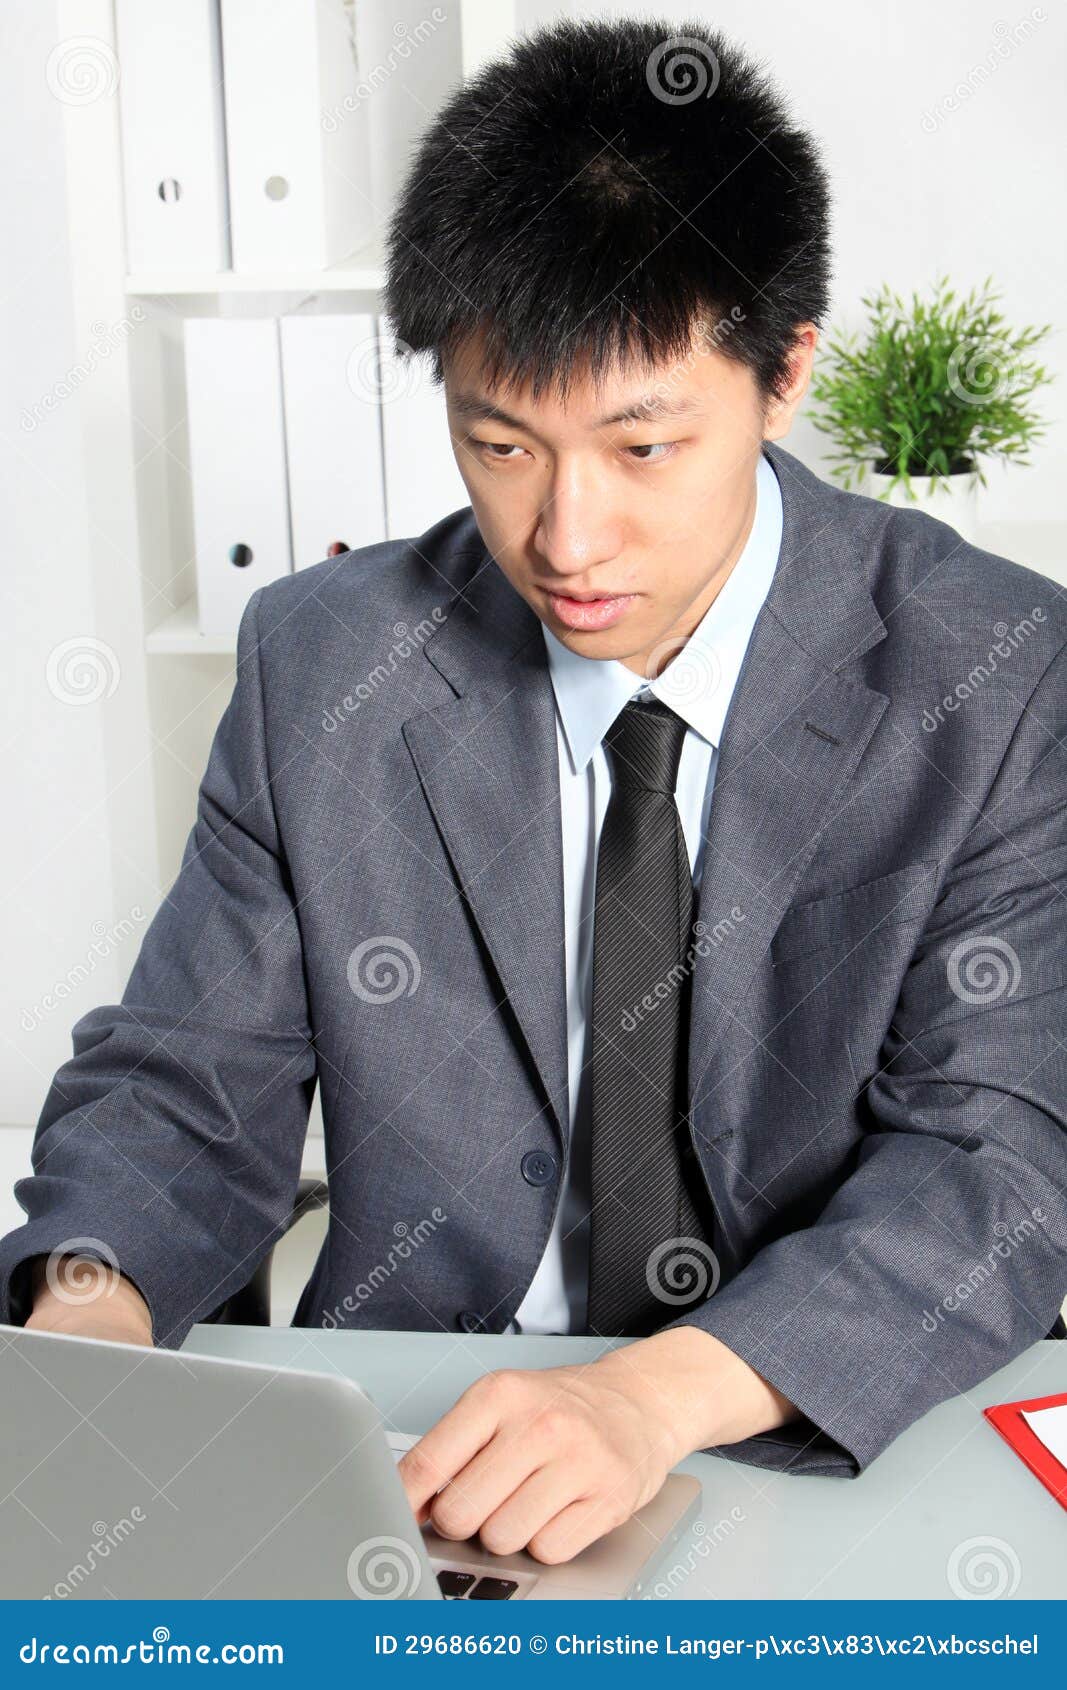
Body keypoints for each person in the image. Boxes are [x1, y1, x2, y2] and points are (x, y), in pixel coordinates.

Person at [3, 17, 1065, 1569]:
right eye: (498, 443)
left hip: (794, 1433)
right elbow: (189, 1075)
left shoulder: (996, 669)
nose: (567, 536)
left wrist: (648, 1403)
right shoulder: (328, 663)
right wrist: (88, 1313)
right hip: (409, 1460)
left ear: (786, 372)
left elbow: (1002, 1159)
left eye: (643, 447)